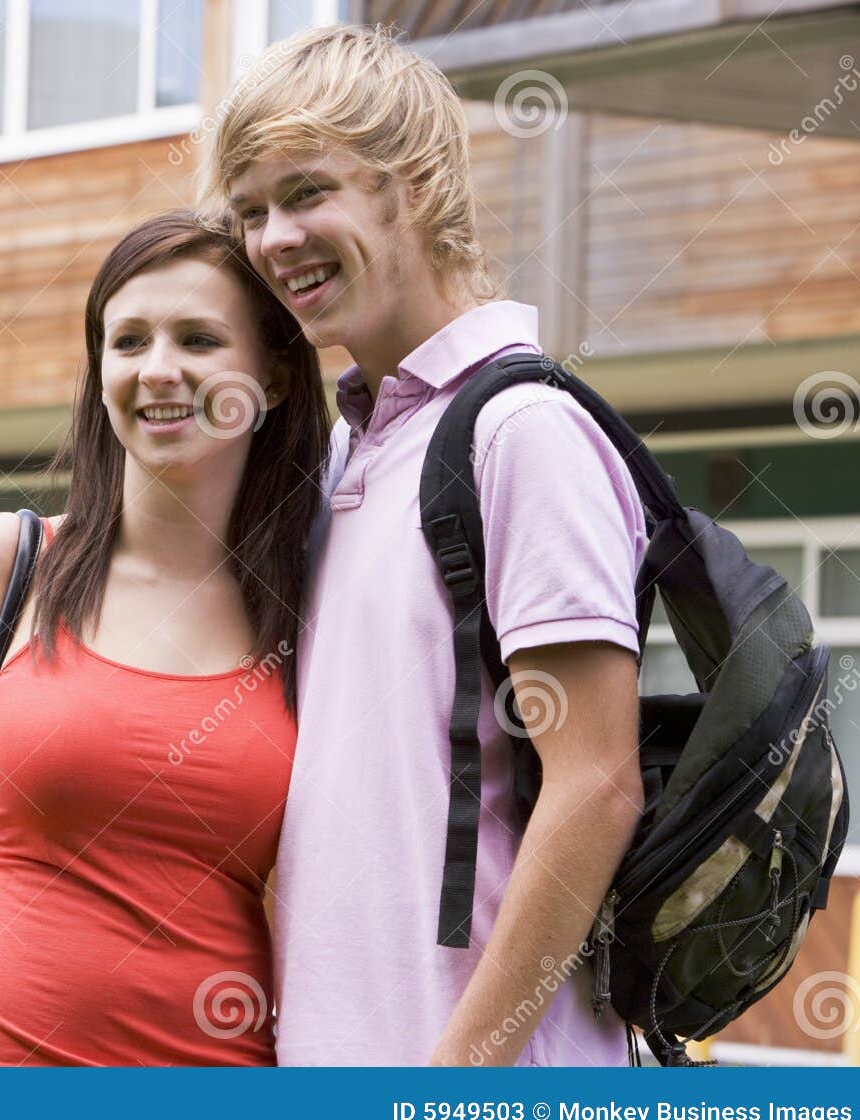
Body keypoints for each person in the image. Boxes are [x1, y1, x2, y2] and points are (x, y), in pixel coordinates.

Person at [206, 24, 649, 1066]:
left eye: (306, 191)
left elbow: (595, 781)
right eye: (249, 212)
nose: (273, 239)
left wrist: (456, 1079)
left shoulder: (519, 431)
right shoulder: (353, 445)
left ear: (411, 185)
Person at [0, 210, 330, 1066]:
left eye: (198, 338)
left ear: (273, 375)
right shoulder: (5, 566)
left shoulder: (315, 610)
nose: (158, 369)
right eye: (128, 340)